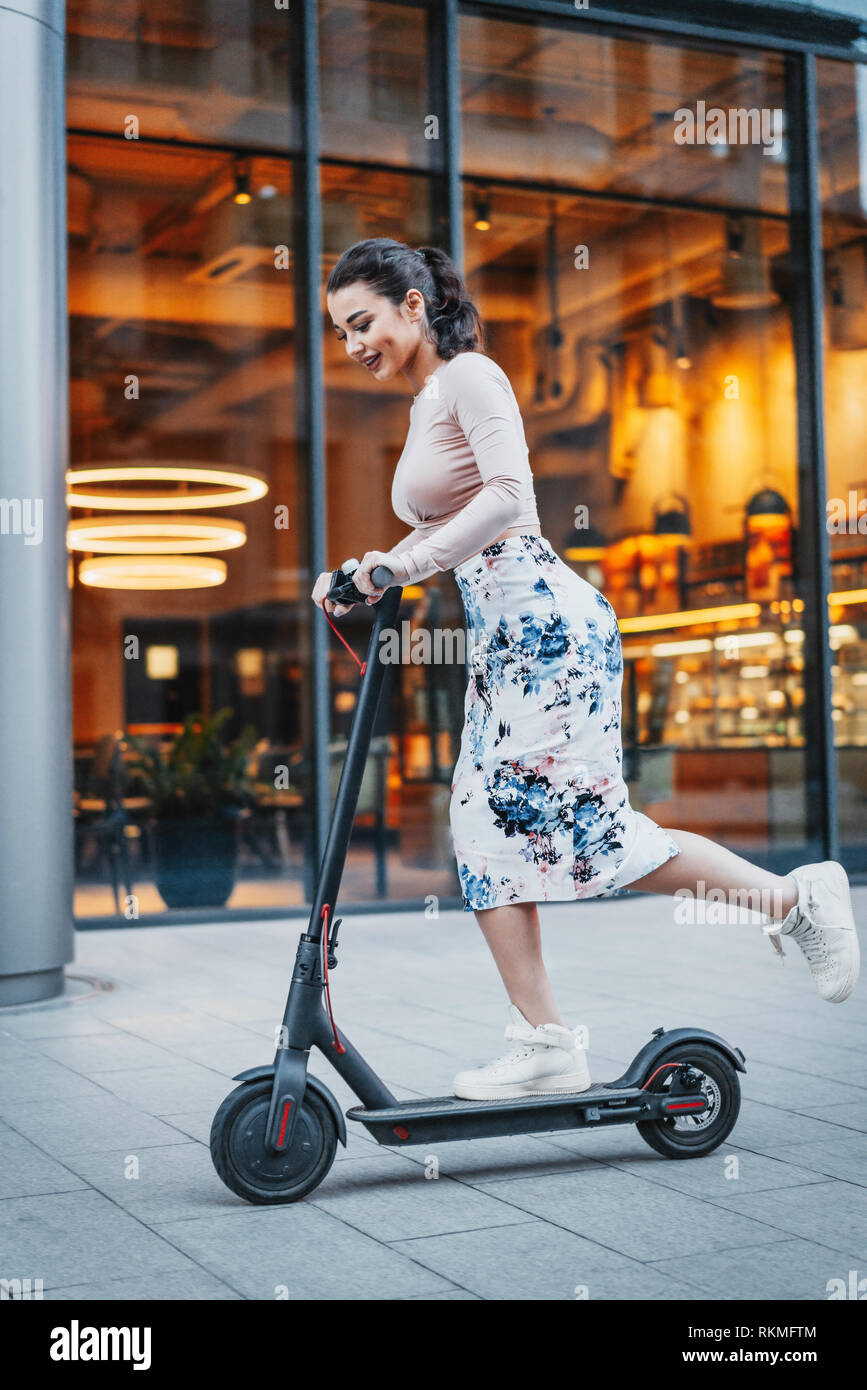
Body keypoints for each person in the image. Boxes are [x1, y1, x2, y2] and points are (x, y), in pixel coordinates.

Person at [312, 236, 860, 1102]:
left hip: (547, 630)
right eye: (340, 332)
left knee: (593, 834)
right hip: (505, 640)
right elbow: (443, 524)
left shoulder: (471, 377)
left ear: (413, 306)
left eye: (363, 322)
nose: (352, 345)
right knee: (482, 833)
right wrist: (366, 569)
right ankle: (543, 1041)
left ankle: (796, 903)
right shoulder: (427, 402)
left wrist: (402, 567)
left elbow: (504, 497)